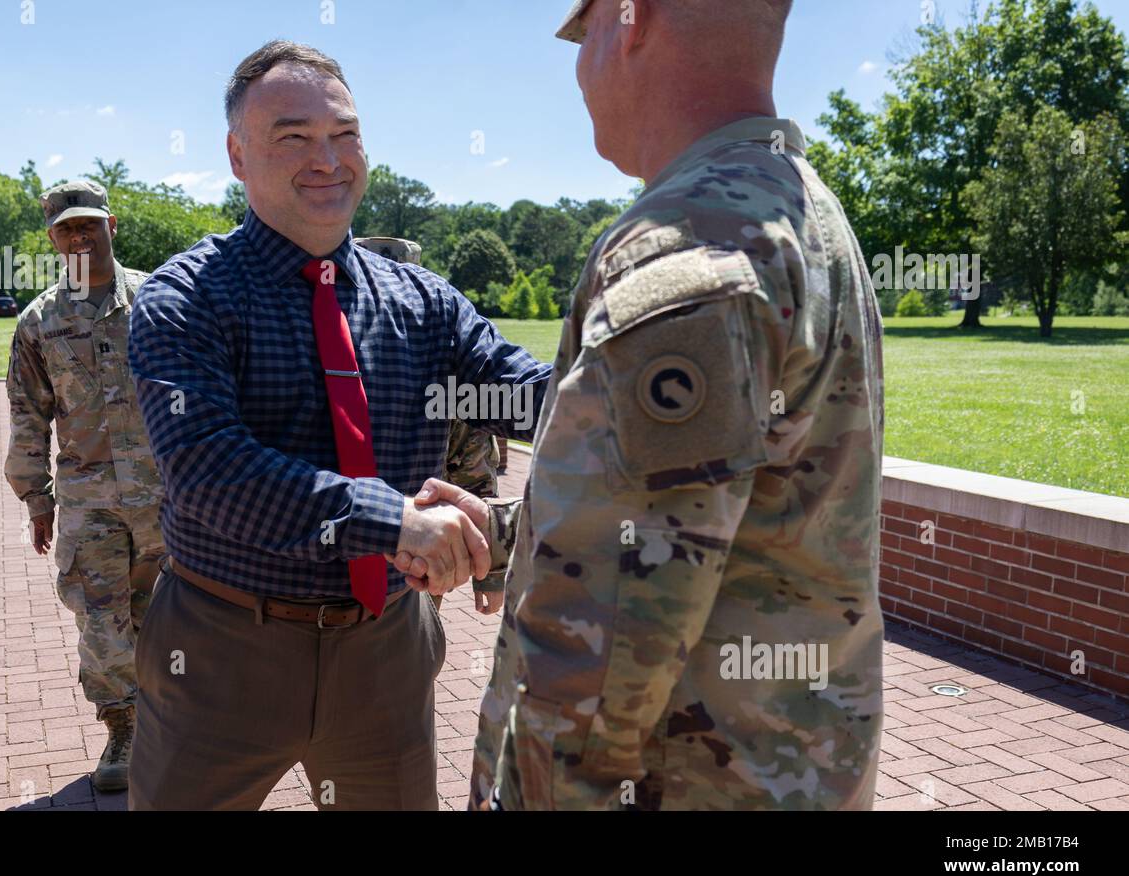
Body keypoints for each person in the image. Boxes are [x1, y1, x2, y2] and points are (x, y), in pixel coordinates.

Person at [410, 0, 886, 810]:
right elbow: (719, 506)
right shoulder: (793, 209)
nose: (577, 66)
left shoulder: (693, 239)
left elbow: (616, 628)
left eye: (579, 32)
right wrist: (511, 534)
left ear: (629, 21)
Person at [126, 40, 550, 811]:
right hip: (221, 648)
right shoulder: (187, 298)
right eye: (293, 137)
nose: (327, 159)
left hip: (384, 652)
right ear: (236, 155)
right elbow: (208, 470)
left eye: (345, 135)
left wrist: (633, 370)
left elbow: (522, 398)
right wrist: (393, 522)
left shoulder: (424, 305)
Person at [4, 180, 165, 793]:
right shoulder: (39, 322)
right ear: (52, 237)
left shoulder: (158, 301)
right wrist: (35, 496)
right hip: (88, 502)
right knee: (100, 620)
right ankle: (122, 725)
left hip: (162, 497)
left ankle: (175, 721)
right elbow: (28, 412)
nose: (79, 236)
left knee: (171, 615)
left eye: (88, 224)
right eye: (66, 228)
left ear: (111, 225)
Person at [356, 236, 506, 616]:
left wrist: (491, 574)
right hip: (312, 567)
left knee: (408, 668)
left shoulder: (445, 363)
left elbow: (474, 472)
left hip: (417, 566)